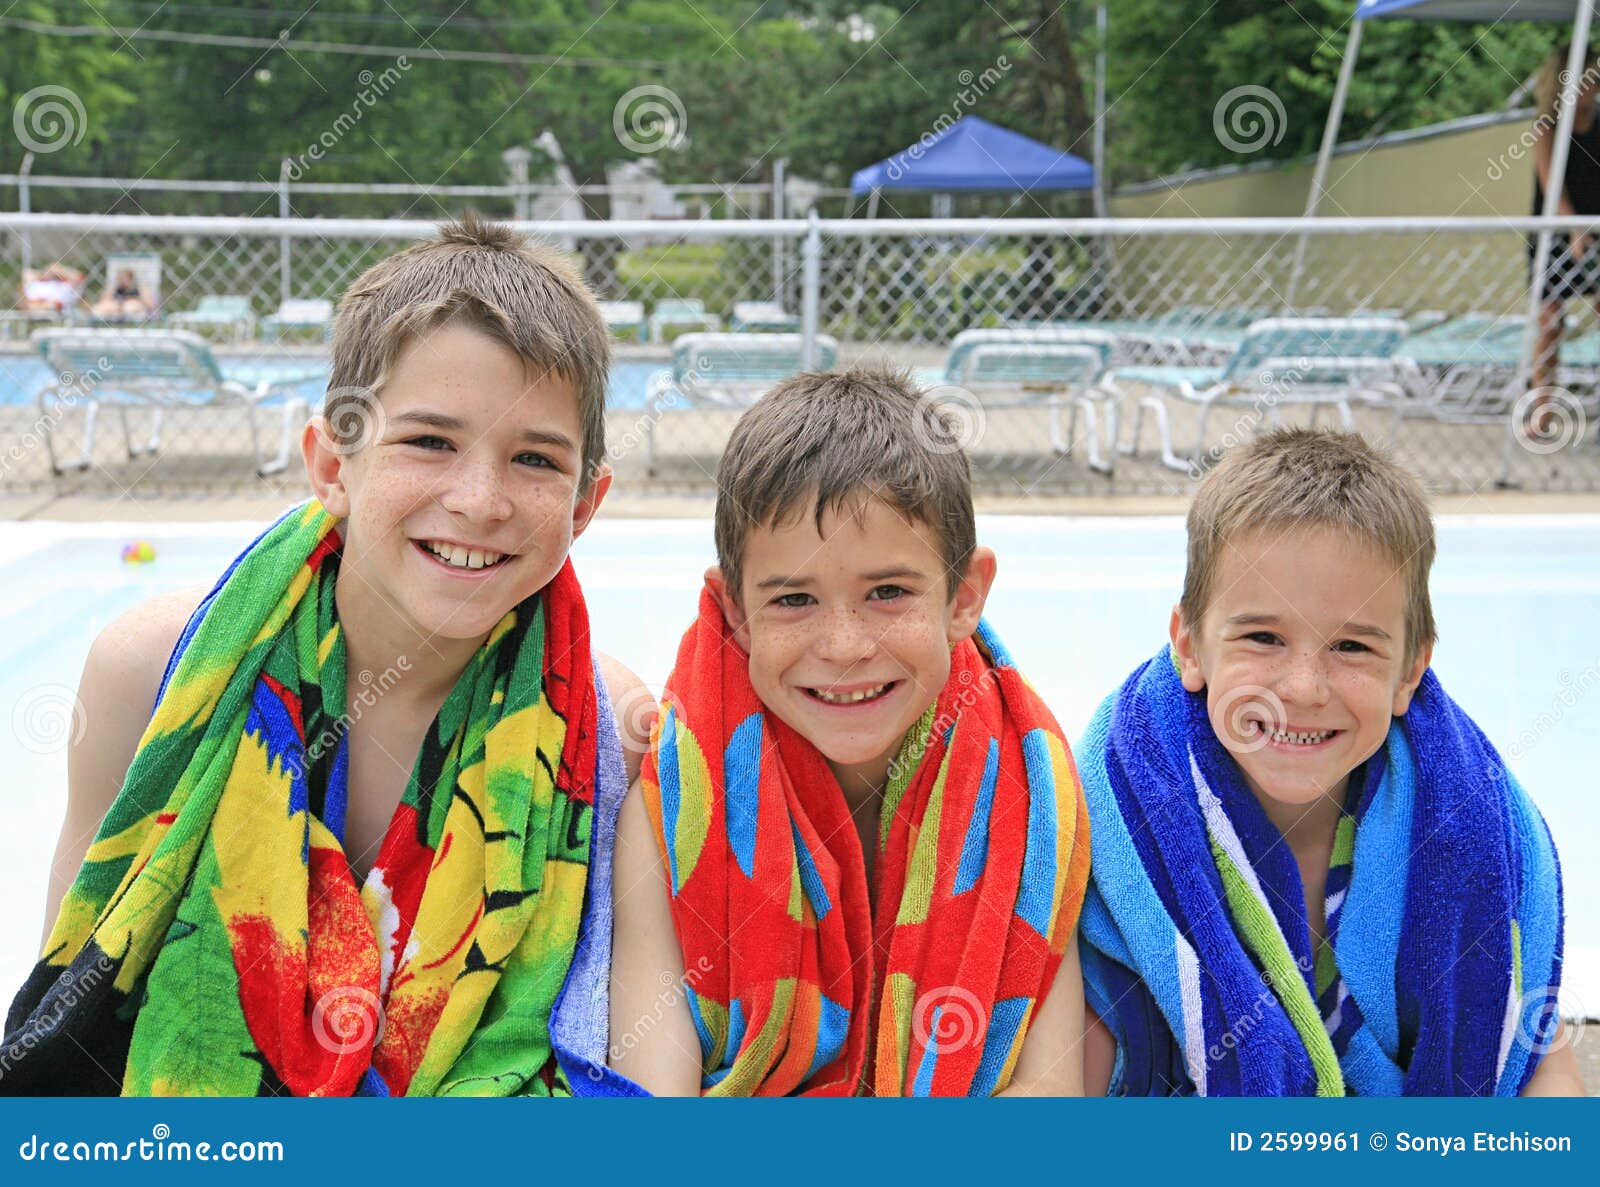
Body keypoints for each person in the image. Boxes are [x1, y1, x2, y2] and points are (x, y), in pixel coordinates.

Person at [0, 213, 654, 1096]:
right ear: (331, 464)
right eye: (429, 441)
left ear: (585, 503)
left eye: (535, 459)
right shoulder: (150, 674)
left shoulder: (604, 728)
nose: (480, 499)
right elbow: (71, 1015)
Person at [608, 367, 1091, 1096]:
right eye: (795, 599)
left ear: (964, 597)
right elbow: (652, 1096)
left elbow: (1050, 1096)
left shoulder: (1028, 792)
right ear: (736, 612)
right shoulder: (677, 795)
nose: (843, 645)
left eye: (887, 592)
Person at [1076, 428, 1582, 1097]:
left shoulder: (1472, 816)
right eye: (1263, 636)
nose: (1303, 688)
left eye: (1351, 647)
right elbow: (1084, 1060)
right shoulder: (1126, 805)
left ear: (1411, 669)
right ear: (1190, 646)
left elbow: (1540, 1061)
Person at [1529, 43, 1600, 433]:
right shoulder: (1547, 125)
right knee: (1551, 319)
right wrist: (1575, 228)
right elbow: (1553, 190)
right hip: (1555, 231)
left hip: (1598, 226)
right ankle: (1543, 409)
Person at [18, 262, 85, 313]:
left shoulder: (31, 291)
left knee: (28, 274)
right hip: (45, 295)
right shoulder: (67, 294)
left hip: (38, 291)